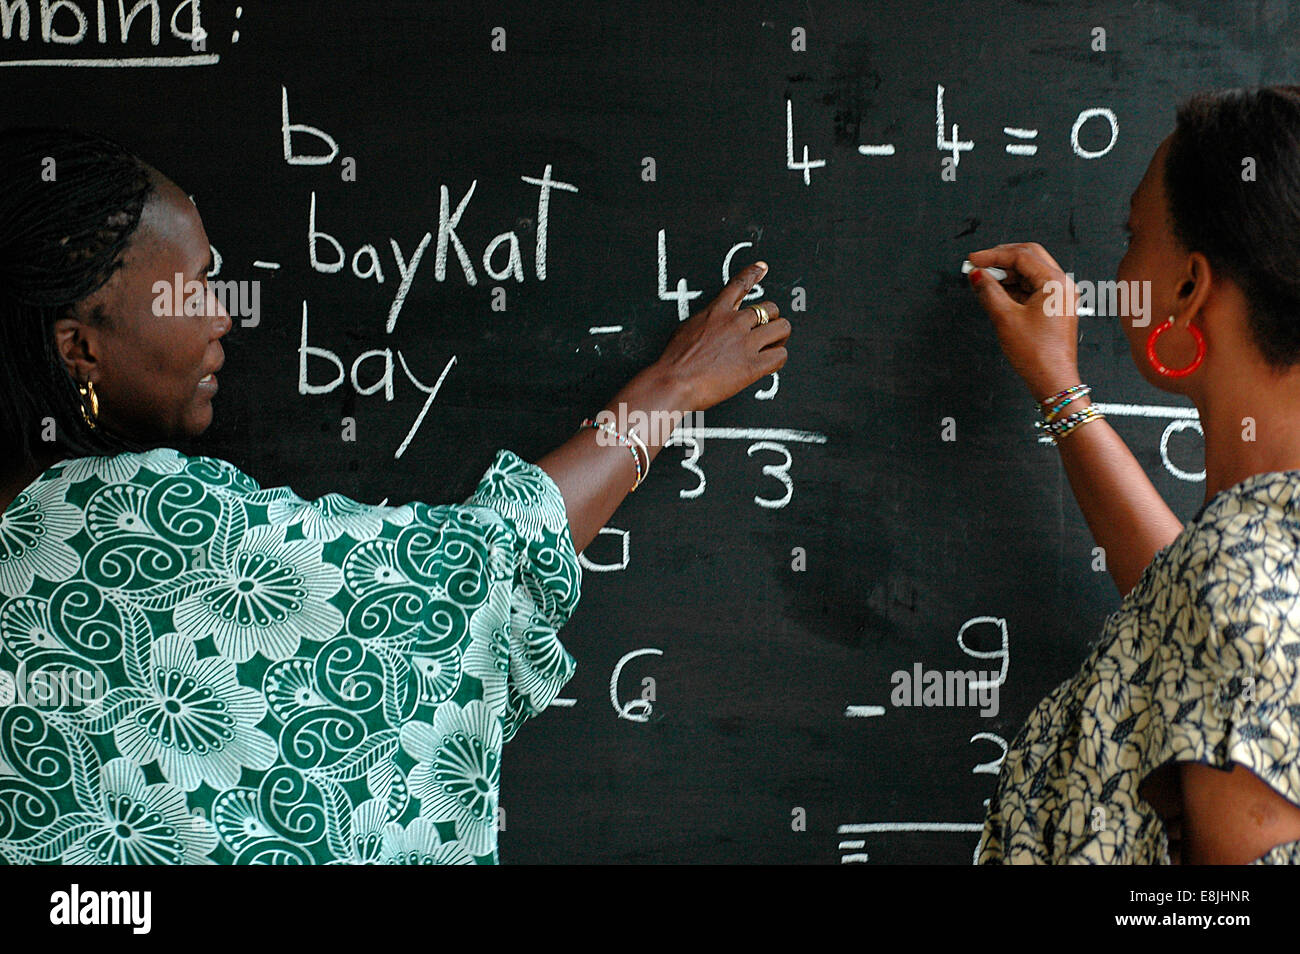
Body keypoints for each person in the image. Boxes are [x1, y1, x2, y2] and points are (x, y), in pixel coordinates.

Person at [0, 126, 792, 864]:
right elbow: (466, 574)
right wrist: (669, 390)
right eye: (195, 288)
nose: (222, 318)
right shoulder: (127, 524)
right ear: (80, 348)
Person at [967, 85, 1300, 864]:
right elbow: (1186, 611)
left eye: (1132, 234)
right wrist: (1058, 386)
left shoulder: (1241, 574)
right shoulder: (1247, 560)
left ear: (1188, 287)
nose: (1115, 264)